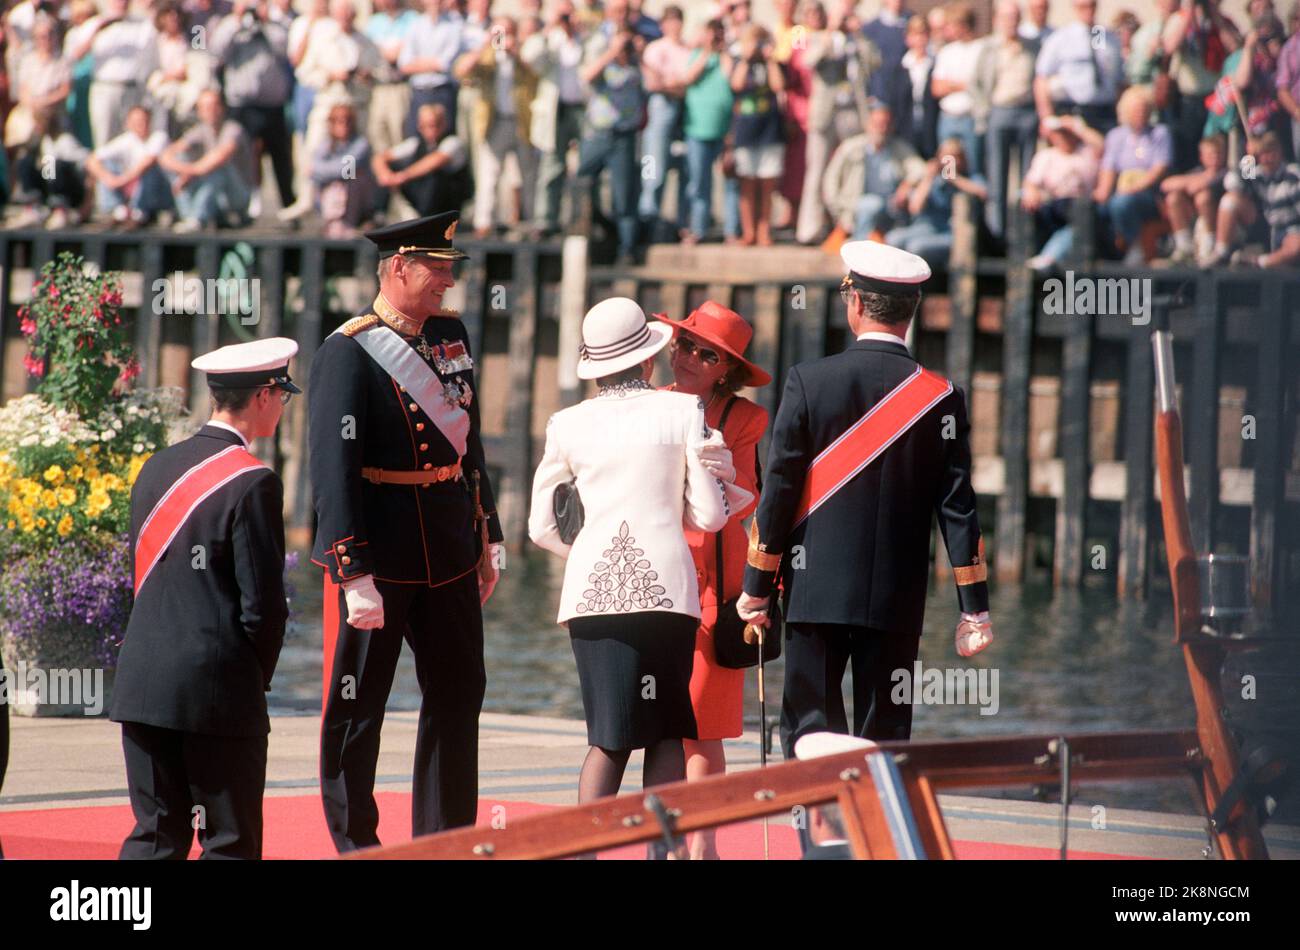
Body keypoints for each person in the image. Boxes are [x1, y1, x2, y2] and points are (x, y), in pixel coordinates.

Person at [737, 240, 993, 765]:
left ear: (853, 303)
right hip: (897, 599)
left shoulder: (808, 381)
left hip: (814, 591)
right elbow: (957, 508)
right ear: (912, 311)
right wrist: (974, 612)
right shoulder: (942, 396)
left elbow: (779, 495)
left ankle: (819, 843)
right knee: (888, 740)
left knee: (811, 736)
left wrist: (757, 590)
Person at [310, 212, 504, 853]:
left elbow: (467, 439)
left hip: (448, 542)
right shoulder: (348, 350)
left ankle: (444, 840)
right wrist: (350, 569)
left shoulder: (449, 332)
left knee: (459, 691)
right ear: (399, 267)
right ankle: (355, 842)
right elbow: (333, 470)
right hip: (383, 548)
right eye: (437, 269)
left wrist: (488, 530)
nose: (448, 282)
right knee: (358, 703)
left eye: (451, 268)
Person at [526, 297, 743, 825]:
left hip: (591, 597)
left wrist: (590, 553)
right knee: (667, 731)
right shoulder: (681, 411)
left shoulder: (566, 423)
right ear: (648, 360)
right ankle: (660, 852)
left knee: (609, 738)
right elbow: (712, 517)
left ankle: (585, 853)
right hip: (667, 592)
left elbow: (539, 528)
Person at [111, 337, 298, 860]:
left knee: (154, 836)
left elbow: (146, 577)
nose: (283, 407)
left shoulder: (156, 466)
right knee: (229, 841)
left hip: (143, 680)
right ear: (263, 395)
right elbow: (263, 607)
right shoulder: (254, 481)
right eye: (282, 395)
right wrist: (250, 680)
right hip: (216, 690)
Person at [658, 301, 770, 861]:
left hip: (713, 590)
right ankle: (665, 843)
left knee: (703, 725)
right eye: (685, 345)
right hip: (651, 579)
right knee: (656, 723)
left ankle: (702, 850)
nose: (690, 358)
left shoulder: (743, 419)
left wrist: (715, 464)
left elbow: (744, 498)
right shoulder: (644, 405)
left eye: (708, 354)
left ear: (726, 369)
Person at [211, 0, 296, 218]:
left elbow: (285, 49)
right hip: (242, 105)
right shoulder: (229, 24)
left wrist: (265, 23)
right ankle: (244, 202)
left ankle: (288, 204)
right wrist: (238, 21)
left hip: (272, 105)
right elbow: (216, 51)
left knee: (281, 157)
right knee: (243, 155)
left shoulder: (276, 24)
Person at [455, 15, 538, 238]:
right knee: (489, 174)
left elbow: (536, 77)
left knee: (529, 175)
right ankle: (484, 222)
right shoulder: (487, 57)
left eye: (508, 31)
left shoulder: (526, 53)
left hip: (521, 122)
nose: (504, 37)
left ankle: (532, 222)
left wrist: (516, 54)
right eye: (500, 32)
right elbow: (463, 70)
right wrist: (487, 44)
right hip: (495, 122)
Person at [578, 0, 646, 263]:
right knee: (582, 182)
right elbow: (586, 75)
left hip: (625, 134)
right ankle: (591, 232)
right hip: (599, 131)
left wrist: (636, 53)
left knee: (624, 193)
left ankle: (626, 248)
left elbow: (653, 81)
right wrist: (611, 52)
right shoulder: (599, 42)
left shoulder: (638, 50)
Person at [972, 0, 1039, 238]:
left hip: (1027, 112)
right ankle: (996, 234)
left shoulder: (1033, 46)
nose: (1011, 22)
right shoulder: (989, 48)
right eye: (1006, 18)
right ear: (997, 20)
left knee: (1027, 177)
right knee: (996, 176)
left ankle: (1024, 233)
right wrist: (984, 114)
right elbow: (977, 84)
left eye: (1015, 17)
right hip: (999, 111)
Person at [522, 0, 587, 239]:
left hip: (584, 109)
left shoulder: (586, 37)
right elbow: (530, 57)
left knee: (588, 164)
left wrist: (579, 30)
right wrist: (551, 27)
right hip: (556, 110)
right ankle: (545, 219)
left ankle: (585, 218)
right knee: (553, 165)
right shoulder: (551, 39)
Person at [821, 104, 924, 240]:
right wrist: (837, 209)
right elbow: (830, 180)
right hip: (855, 206)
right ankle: (860, 247)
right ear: (868, 125)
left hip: (893, 207)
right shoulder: (850, 148)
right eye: (878, 124)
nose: (882, 129)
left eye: (886, 124)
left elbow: (921, 169)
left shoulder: (899, 148)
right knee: (872, 204)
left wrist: (907, 184)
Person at [159, 88, 257, 232]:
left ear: (221, 108)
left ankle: (197, 218)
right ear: (199, 111)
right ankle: (190, 216)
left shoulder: (233, 130)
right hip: (214, 195)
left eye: (213, 106)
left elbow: (217, 160)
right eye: (204, 107)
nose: (210, 111)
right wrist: (184, 171)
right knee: (180, 159)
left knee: (218, 169)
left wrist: (189, 173)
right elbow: (165, 155)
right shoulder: (200, 130)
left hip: (238, 197)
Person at [1093, 86, 1172, 265]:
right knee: (1096, 209)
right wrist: (1102, 192)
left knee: (1122, 203)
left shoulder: (1159, 133)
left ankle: (1138, 246)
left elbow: (1160, 168)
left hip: (1149, 194)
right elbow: (1108, 168)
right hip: (1122, 190)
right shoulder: (1116, 136)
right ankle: (1105, 253)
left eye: (1144, 110)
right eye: (1136, 110)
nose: (1140, 114)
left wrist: (1133, 188)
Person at [1203, 130, 1300, 268]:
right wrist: (1249, 158)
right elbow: (1232, 184)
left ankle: (1258, 262)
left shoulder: (1293, 175)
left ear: (1280, 153)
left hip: (1291, 228)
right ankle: (1221, 253)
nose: (1267, 159)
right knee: (1230, 200)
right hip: (1266, 227)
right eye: (1263, 154)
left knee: (1297, 245)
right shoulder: (1257, 172)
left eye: (1271, 153)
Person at [885, 137, 986, 268]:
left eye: (954, 157)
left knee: (916, 247)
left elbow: (983, 192)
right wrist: (928, 178)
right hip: (926, 228)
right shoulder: (933, 179)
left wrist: (955, 179)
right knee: (893, 239)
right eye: (945, 157)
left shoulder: (971, 177)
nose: (949, 162)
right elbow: (915, 208)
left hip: (953, 233)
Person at [1022, 114, 1104, 270]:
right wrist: (1031, 192)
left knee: (1074, 225)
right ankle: (1038, 257)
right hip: (1053, 207)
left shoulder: (1086, 153)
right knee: (1023, 199)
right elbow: (1030, 182)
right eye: (1059, 133)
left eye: (1067, 133)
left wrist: (1077, 126)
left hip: (1081, 206)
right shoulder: (1046, 155)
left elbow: (1102, 145)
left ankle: (1048, 257)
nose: (1063, 137)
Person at [729, 23, 785, 246]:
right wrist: (746, 58)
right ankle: (749, 231)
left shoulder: (774, 64)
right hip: (745, 130)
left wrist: (769, 59)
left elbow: (779, 86)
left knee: (767, 184)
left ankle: (764, 230)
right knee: (747, 184)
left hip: (770, 130)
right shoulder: (739, 61)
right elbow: (736, 85)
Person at [680, 17, 734, 244]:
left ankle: (733, 231)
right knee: (699, 183)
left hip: (724, 130)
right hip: (697, 130)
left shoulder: (728, 58)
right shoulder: (695, 56)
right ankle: (698, 229)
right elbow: (689, 78)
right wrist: (706, 50)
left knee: (731, 182)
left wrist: (721, 51)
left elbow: (730, 77)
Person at [637, 4, 689, 238]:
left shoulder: (688, 50)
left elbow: (689, 83)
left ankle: (682, 224)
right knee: (652, 169)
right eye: (670, 21)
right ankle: (648, 218)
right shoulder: (655, 49)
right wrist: (677, 86)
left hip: (685, 113)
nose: (674, 26)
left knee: (686, 171)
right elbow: (652, 83)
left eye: (677, 21)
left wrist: (673, 85)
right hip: (659, 111)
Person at [1034, 0, 1124, 134]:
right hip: (1073, 112)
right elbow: (1041, 79)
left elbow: (1118, 79)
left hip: (1105, 112)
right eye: (1083, 6)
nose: (1088, 10)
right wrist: (1046, 117)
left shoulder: (1104, 36)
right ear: (1074, 7)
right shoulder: (1061, 38)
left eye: (1092, 5)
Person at [372, 102, 471, 217]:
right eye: (427, 125)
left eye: (435, 125)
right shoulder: (415, 143)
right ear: (420, 126)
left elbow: (434, 161)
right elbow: (380, 158)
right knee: (391, 166)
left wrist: (402, 176)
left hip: (448, 203)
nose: (431, 130)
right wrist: (386, 175)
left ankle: (429, 216)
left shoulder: (453, 143)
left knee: (434, 174)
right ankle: (378, 215)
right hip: (421, 196)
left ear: (444, 124)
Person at [86, 104, 174, 227]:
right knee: (107, 165)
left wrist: (122, 180)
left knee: (150, 170)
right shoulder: (127, 140)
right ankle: (118, 211)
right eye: (136, 121)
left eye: (143, 121)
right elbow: (92, 159)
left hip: (160, 192)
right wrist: (109, 179)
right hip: (132, 188)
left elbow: (148, 162)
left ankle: (140, 213)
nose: (140, 124)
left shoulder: (159, 137)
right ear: (128, 123)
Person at [929, 1, 981, 176]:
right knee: (948, 170)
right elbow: (937, 87)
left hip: (971, 118)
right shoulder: (947, 52)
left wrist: (952, 84)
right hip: (949, 118)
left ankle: (974, 201)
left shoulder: (981, 50)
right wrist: (961, 84)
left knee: (974, 165)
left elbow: (978, 86)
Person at [1160, 133, 1228, 264]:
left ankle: (1210, 243)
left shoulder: (1226, 173)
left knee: (1203, 197)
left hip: (1220, 221)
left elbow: (1197, 187)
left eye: (1218, 154)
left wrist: (1198, 181)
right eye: (1210, 154)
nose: (1214, 158)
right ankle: (1184, 245)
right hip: (1194, 216)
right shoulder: (1197, 171)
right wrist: (1192, 180)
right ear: (1201, 157)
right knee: (1173, 198)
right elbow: (1165, 185)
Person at [311, 102, 375, 237]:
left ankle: (347, 222)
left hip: (357, 196)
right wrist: (329, 171)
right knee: (331, 184)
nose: (343, 124)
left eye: (347, 121)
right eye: (339, 121)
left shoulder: (361, 144)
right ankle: (332, 221)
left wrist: (326, 170)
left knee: (348, 179)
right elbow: (314, 168)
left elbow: (345, 169)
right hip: (330, 193)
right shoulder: (325, 144)